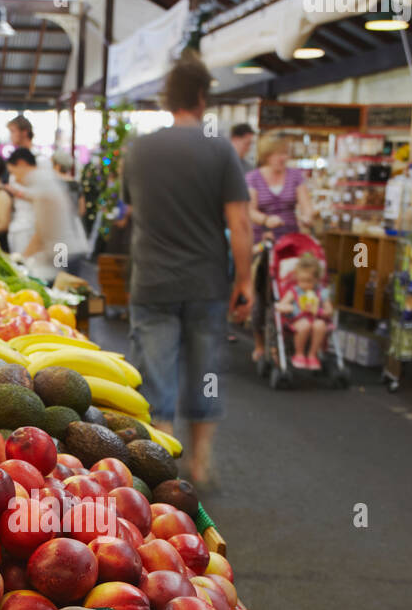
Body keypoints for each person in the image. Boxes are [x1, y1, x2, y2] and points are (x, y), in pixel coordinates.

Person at [121, 51, 253, 489]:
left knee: (154, 376)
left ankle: (164, 469)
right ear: (201, 96)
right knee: (206, 373)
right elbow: (240, 224)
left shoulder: (138, 150)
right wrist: (245, 281)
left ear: (166, 98)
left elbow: (133, 210)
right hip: (206, 283)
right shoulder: (221, 151)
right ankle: (200, 461)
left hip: (152, 280)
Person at [246, 136, 314, 363]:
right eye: (278, 153)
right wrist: (266, 220)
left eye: (285, 153)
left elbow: (306, 204)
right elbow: (250, 210)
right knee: (262, 293)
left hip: (291, 244)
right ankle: (259, 343)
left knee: (289, 290)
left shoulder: (295, 176)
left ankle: (288, 343)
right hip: (262, 242)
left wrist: (308, 216)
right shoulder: (253, 178)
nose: (283, 158)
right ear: (267, 155)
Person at [7, 147, 87, 282]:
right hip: (62, 248)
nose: (15, 178)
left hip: (62, 250)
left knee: (62, 292)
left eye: (13, 172)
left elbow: (41, 233)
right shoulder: (43, 178)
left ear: (21, 164)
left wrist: (20, 259)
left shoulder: (41, 182)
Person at [276, 252, 334, 369]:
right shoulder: (295, 291)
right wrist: (289, 307)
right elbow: (280, 305)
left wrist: (324, 311)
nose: (305, 285)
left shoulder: (320, 292)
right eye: (301, 281)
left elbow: (329, 309)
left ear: (317, 280)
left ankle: (312, 354)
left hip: (316, 318)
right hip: (298, 320)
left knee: (320, 325)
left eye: (309, 281)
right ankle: (299, 353)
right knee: (304, 325)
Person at [52, 150, 84, 227]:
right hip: (73, 225)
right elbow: (82, 210)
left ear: (57, 166)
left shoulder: (53, 183)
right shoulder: (76, 184)